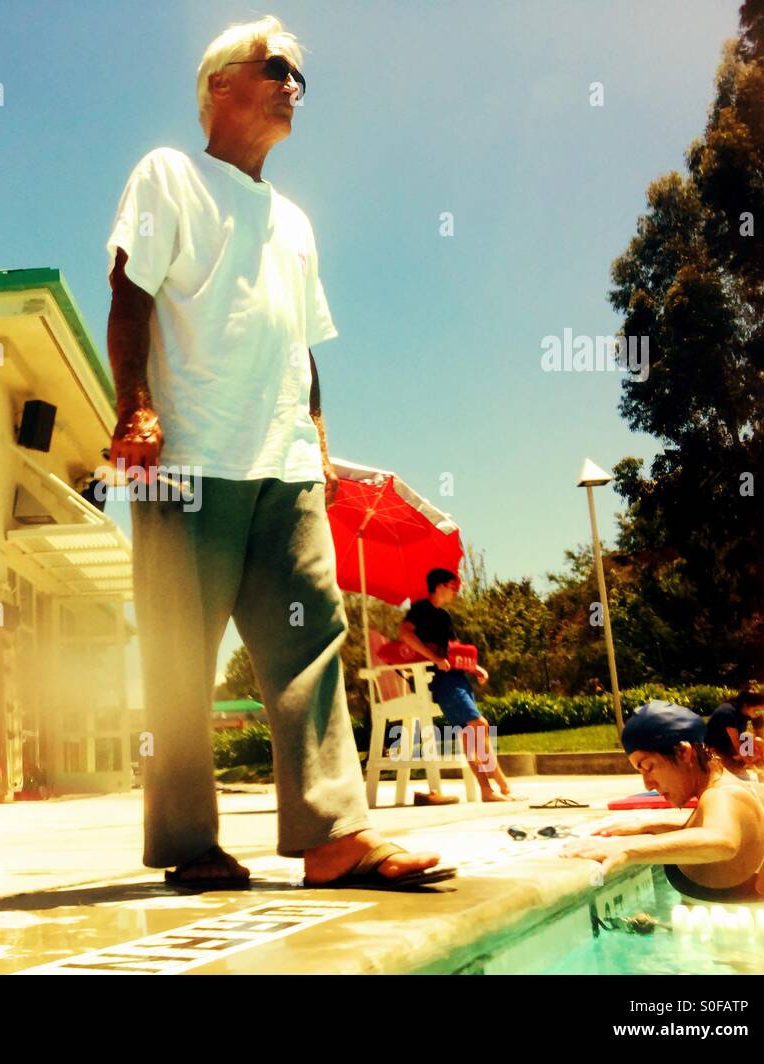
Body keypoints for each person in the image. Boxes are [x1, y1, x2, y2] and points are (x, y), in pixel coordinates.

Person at [105, 16, 451, 890]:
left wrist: (321, 445)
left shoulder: (294, 221)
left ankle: (333, 838)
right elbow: (127, 293)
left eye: (300, 74)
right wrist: (136, 407)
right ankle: (190, 843)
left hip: (286, 465)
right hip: (189, 461)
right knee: (180, 655)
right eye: (277, 67)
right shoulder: (169, 175)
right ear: (219, 86)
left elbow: (305, 348)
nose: (293, 83)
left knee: (311, 644)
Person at [561, 701, 764, 901]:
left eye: (648, 767)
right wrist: (649, 828)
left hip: (745, 950)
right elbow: (728, 834)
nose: (647, 785)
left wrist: (626, 849)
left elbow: (721, 840)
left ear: (683, 752)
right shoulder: (746, 790)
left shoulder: (722, 795)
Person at [399, 568, 518, 802]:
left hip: (458, 679)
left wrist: (474, 668)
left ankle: (487, 791)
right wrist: (433, 659)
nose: (456, 591)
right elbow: (404, 634)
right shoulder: (421, 609)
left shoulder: (444, 616)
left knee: (469, 736)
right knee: (479, 725)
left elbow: (454, 649)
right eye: (453, 586)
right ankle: (503, 783)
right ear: (441, 586)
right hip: (442, 682)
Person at [706, 684, 764, 781]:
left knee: (757, 741)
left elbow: (761, 739)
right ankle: (732, 765)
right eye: (756, 710)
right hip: (714, 748)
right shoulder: (727, 713)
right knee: (742, 780)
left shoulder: (755, 713)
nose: (758, 713)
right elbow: (738, 747)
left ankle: (740, 763)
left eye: (760, 711)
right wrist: (754, 769)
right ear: (745, 705)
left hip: (730, 745)